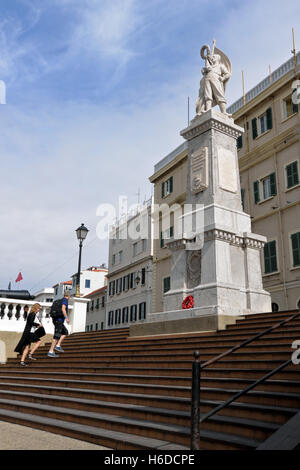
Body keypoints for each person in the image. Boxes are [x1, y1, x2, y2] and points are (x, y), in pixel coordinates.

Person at [48, 291, 70, 357]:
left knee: (65, 332)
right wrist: (66, 318)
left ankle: (58, 345)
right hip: (59, 320)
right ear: (68, 296)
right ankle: (51, 351)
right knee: (57, 335)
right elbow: (63, 309)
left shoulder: (59, 300)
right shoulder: (65, 300)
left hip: (56, 320)